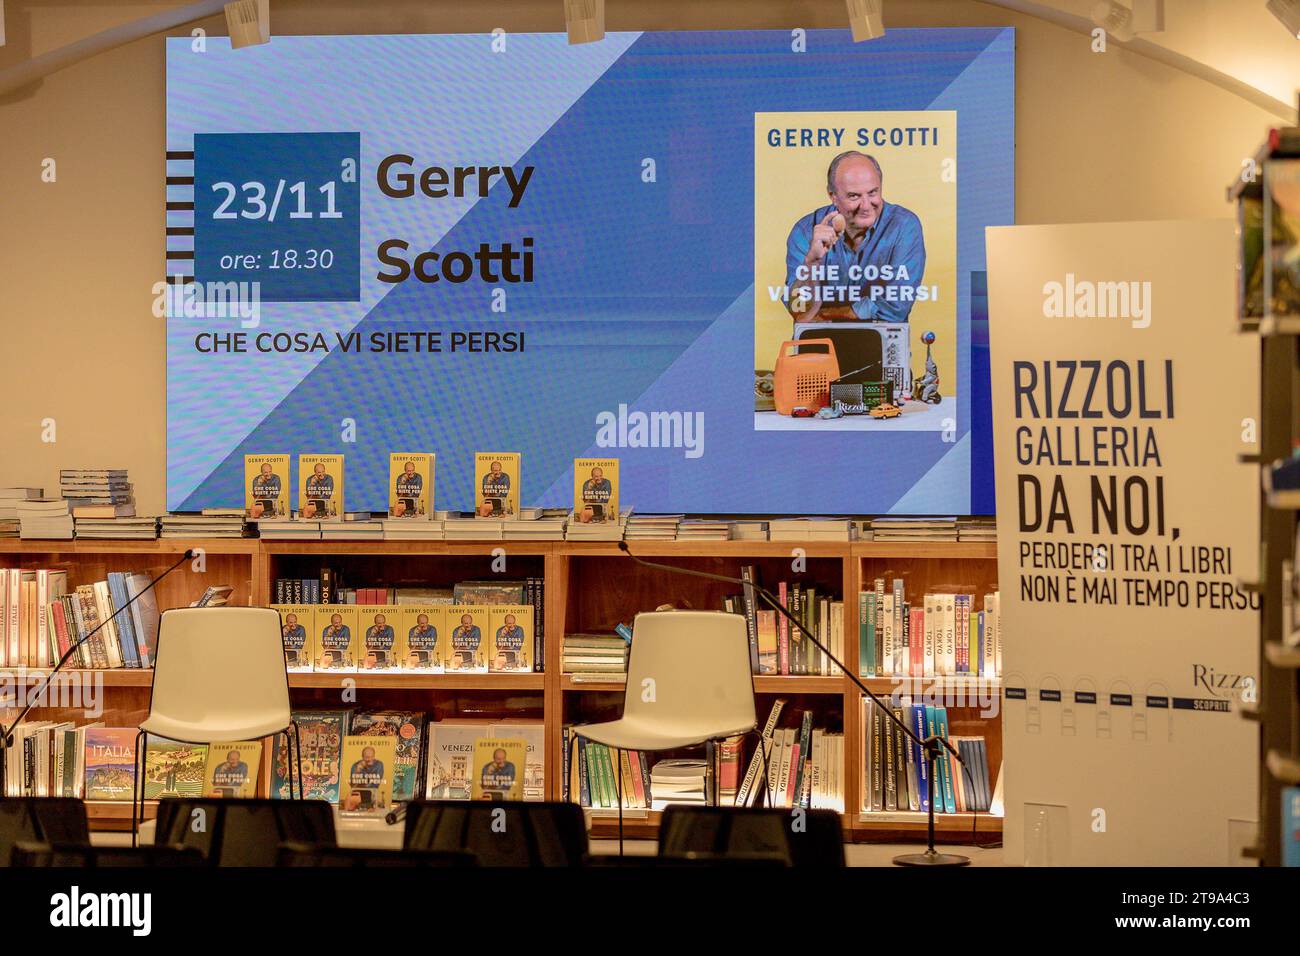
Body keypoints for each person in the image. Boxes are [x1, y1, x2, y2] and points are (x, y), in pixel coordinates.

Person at [785, 151, 926, 323]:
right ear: (833, 196)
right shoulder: (806, 231)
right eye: (854, 196)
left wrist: (826, 315)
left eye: (873, 193)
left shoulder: (904, 226)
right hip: (818, 346)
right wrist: (811, 263)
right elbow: (800, 312)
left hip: (881, 346)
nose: (866, 206)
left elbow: (895, 308)